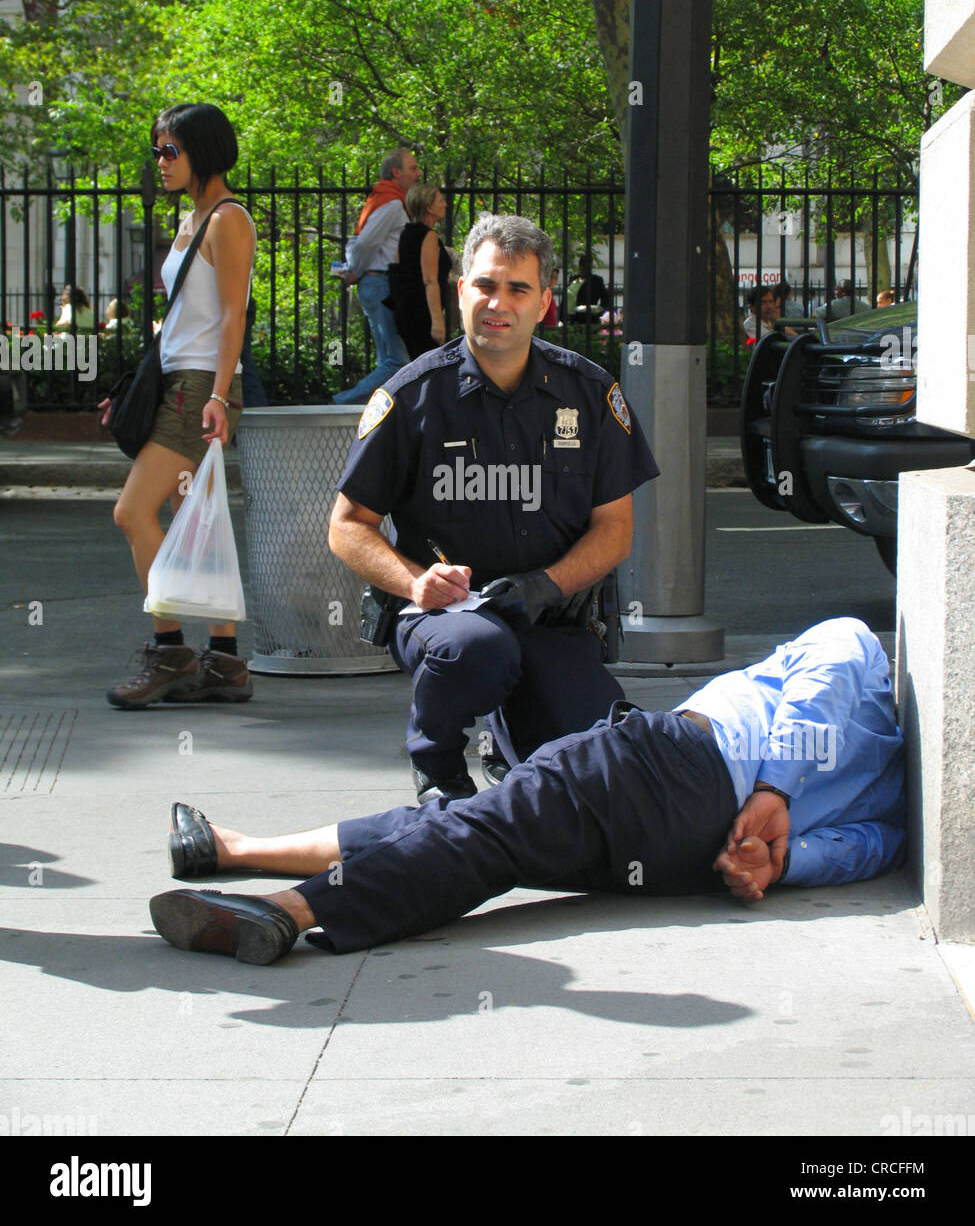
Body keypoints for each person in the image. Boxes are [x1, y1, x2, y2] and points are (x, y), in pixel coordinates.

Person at [148, 618, 907, 964]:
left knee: (485, 834)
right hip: (689, 855)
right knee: (478, 825)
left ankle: (286, 913)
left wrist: (772, 793)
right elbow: (863, 850)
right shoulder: (896, 799)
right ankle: (233, 850)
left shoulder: (856, 646)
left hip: (675, 763)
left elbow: (818, 684)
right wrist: (780, 862)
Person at [328, 214, 658, 803]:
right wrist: (416, 583)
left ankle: (508, 740)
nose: (497, 302)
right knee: (477, 648)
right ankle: (436, 763)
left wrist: (541, 587)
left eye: (517, 288)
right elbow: (347, 527)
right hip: (446, 619)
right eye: (484, 284)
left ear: (544, 302)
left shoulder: (591, 395)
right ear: (460, 291)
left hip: (550, 616)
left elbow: (615, 532)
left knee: (608, 769)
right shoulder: (409, 398)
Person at [98, 102, 256, 708]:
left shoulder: (228, 219)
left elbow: (233, 317)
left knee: (131, 513)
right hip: (179, 382)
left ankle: (170, 649)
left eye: (171, 151)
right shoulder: (195, 217)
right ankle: (224, 663)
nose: (159, 162)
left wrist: (217, 394)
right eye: (157, 151)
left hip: (201, 389)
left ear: (204, 151)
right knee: (197, 522)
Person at [333, 149, 420, 404]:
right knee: (396, 363)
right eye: (413, 168)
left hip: (380, 283)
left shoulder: (386, 200)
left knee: (391, 360)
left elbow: (359, 241)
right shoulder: (392, 204)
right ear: (397, 172)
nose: (418, 173)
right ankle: (341, 404)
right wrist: (354, 272)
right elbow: (364, 243)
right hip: (380, 282)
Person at [385, 182, 450, 360]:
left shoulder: (406, 234)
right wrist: (437, 321)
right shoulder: (429, 236)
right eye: (440, 200)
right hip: (423, 316)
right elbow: (430, 280)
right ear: (429, 207)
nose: (444, 204)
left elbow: (398, 272)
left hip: (407, 313)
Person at [565, 252, 609, 323]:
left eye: (586, 265)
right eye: (582, 264)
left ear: (590, 266)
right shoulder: (573, 279)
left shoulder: (596, 281)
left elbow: (606, 300)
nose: (583, 268)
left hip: (590, 319)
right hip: (574, 320)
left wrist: (597, 312)